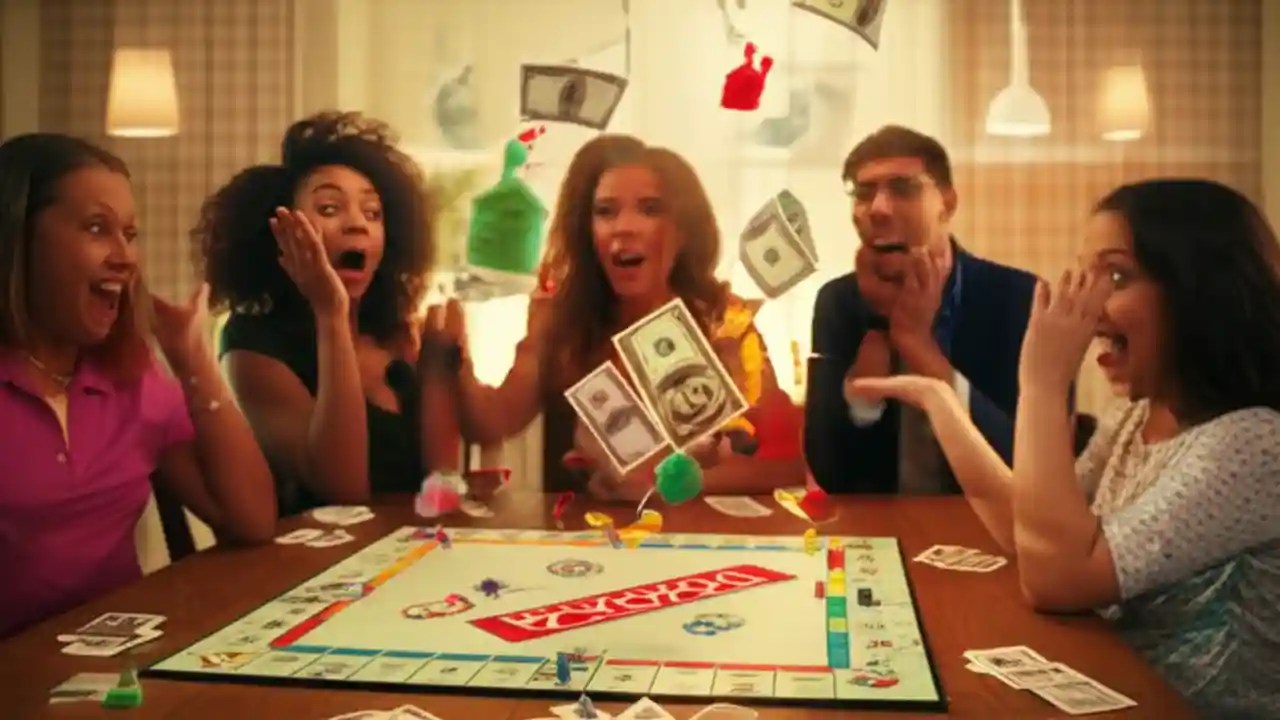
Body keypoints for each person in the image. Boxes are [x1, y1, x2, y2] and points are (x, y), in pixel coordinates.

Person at [850, 179, 1280, 717]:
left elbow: (1056, 578)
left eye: (1116, 276)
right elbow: (1029, 530)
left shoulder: (1254, 442)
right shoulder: (1137, 417)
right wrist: (940, 402)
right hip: (1121, 687)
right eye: (1084, 277)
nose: (1088, 306)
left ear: (1200, 291)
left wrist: (1044, 383)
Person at [0, 133, 277, 639]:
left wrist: (194, 360)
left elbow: (251, 519)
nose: (125, 257)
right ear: (18, 238)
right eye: (96, 228)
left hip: (119, 663)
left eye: (130, 234)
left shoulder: (133, 378)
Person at [420, 135, 804, 499]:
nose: (625, 227)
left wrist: (668, 485)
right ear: (586, 233)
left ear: (684, 231)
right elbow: (494, 421)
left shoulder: (725, 321)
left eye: (650, 209)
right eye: (605, 212)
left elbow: (787, 468)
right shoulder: (561, 318)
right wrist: (454, 359)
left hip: (697, 537)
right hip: (583, 538)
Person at [195, 111, 454, 515]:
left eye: (373, 213)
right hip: (315, 552)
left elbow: (442, 481)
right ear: (280, 233)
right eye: (330, 208)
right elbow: (343, 488)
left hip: (413, 545)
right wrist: (331, 314)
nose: (357, 225)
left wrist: (442, 366)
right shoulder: (252, 346)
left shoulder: (397, 332)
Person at [804, 125, 1039, 494]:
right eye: (864, 193)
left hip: (987, 520)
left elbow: (1029, 464)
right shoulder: (840, 301)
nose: (878, 209)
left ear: (948, 203)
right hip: (880, 523)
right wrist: (879, 327)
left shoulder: (1018, 298)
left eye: (903, 188)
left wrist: (918, 346)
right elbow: (832, 472)